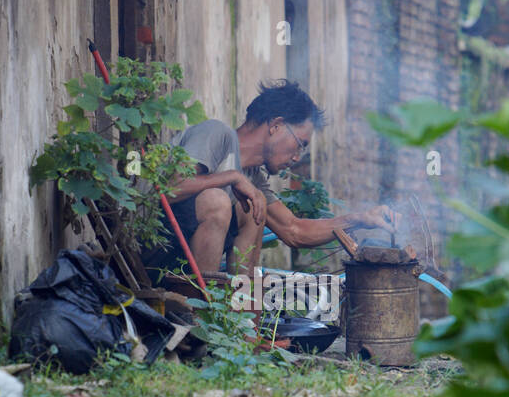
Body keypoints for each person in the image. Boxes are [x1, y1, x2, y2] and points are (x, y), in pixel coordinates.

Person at [142, 80, 395, 277]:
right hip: (145, 254)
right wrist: (231, 177)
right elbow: (169, 188)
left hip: (179, 270)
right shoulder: (217, 133)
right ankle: (200, 320)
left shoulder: (254, 180)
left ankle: (242, 326)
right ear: (276, 125)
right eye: (300, 144)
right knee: (217, 200)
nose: (297, 157)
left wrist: (359, 219)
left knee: (255, 208)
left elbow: (294, 230)